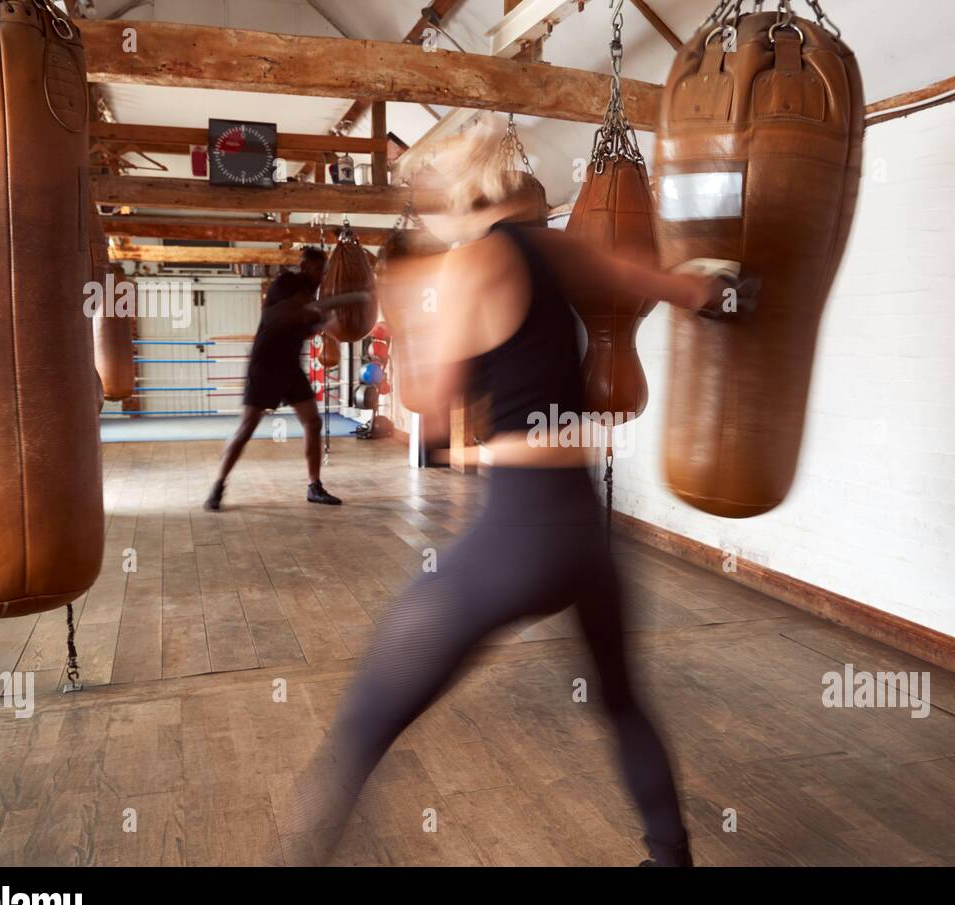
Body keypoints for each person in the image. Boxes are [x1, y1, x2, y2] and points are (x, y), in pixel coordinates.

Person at [289, 124, 731, 867]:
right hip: (585, 526)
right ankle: (669, 855)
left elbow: (429, 407)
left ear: (462, 200)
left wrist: (405, 311)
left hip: (519, 531)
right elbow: (664, 284)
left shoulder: (471, 264)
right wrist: (712, 292)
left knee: (365, 718)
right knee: (621, 700)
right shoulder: (547, 246)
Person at [205, 246, 343, 511]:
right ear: (304, 266)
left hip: (290, 367)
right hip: (265, 365)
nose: (318, 274)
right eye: (315, 268)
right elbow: (285, 313)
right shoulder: (285, 283)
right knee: (246, 428)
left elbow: (310, 327)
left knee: (312, 423)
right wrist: (320, 310)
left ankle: (314, 486)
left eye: (321, 270)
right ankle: (218, 486)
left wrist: (330, 320)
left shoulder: (314, 295)